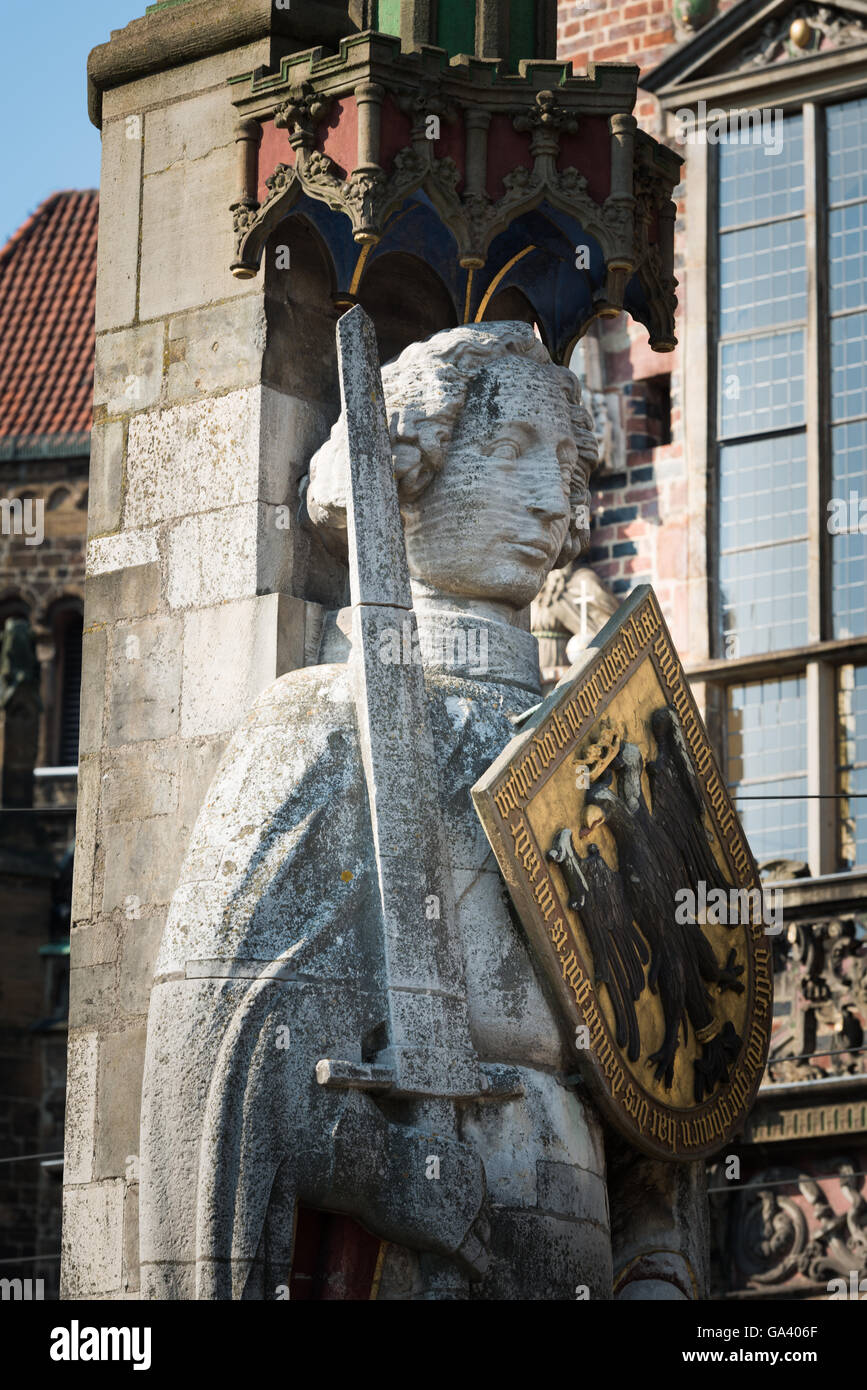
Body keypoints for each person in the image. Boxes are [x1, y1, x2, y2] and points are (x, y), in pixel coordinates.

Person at [140, 321, 706, 1300]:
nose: (551, 497)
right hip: (415, 1259)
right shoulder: (324, 720)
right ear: (412, 467)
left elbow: (653, 1077)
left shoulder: (603, 747)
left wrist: (658, 1254)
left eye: (567, 464)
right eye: (512, 450)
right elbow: (229, 1053)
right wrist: (384, 1164)